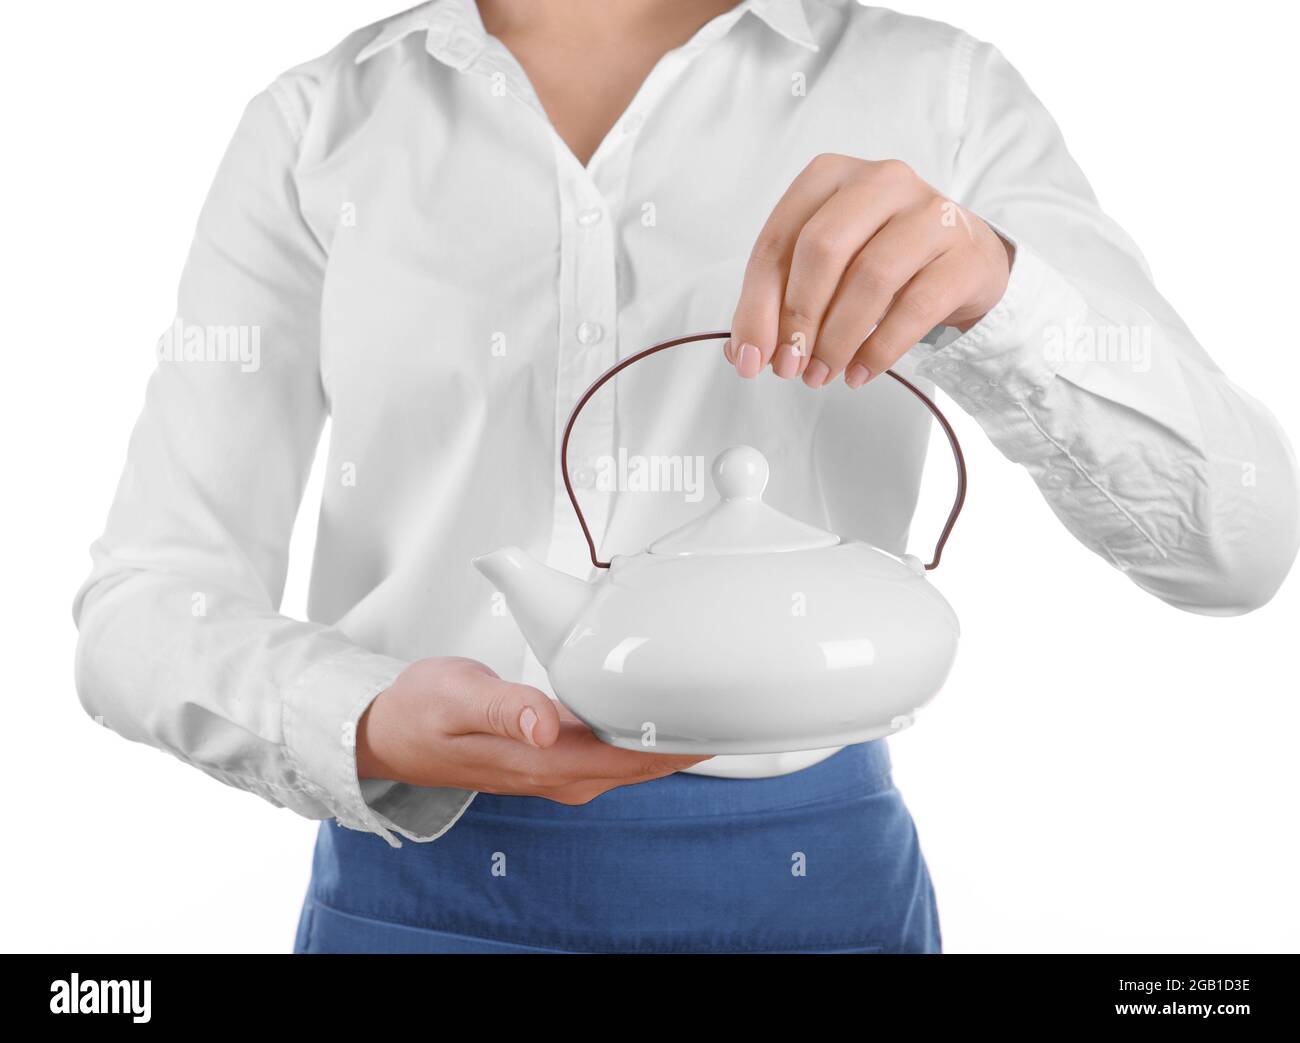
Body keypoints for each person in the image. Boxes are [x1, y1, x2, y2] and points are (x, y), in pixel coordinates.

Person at [73, 0, 1298, 954]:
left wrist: (995, 293)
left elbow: (1236, 545)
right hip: (418, 878)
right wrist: (362, 716)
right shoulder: (318, 124)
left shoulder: (937, 91)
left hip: (807, 886)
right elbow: (143, 599)